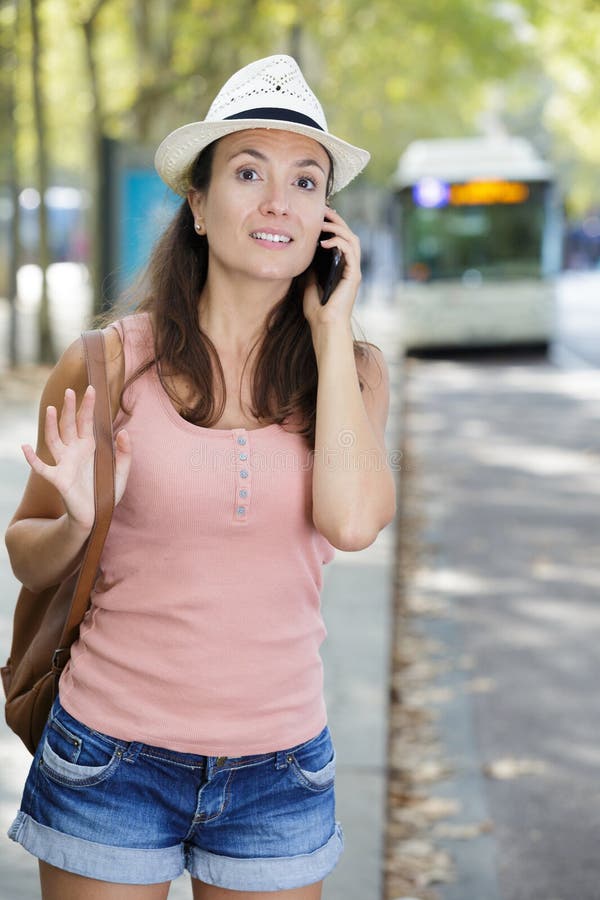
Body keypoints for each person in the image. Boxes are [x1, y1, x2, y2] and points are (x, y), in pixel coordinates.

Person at [5, 54, 396, 900]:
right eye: (248, 171)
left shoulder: (352, 372)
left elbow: (353, 523)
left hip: (281, 772)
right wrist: (73, 522)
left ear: (325, 216)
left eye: (305, 180)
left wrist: (332, 333)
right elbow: (27, 556)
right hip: (107, 760)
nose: (276, 201)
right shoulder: (105, 364)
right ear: (197, 202)